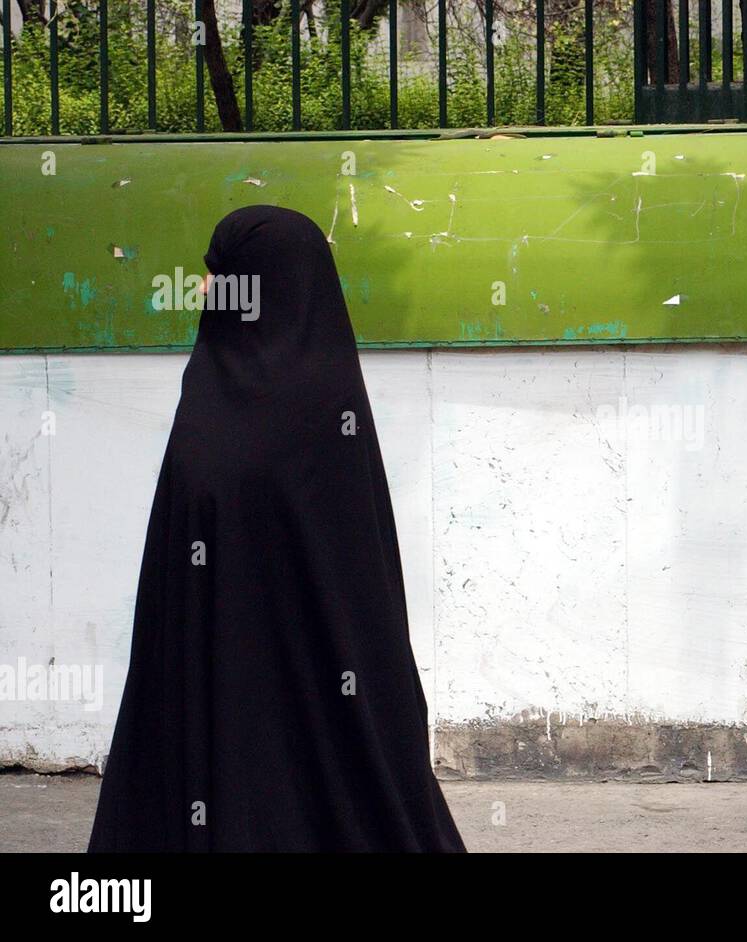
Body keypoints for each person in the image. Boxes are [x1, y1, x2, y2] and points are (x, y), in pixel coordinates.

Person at [88, 205, 466, 852]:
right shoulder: (307, 393)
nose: (206, 289)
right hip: (266, 684)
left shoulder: (256, 403)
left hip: (257, 697)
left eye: (220, 273)